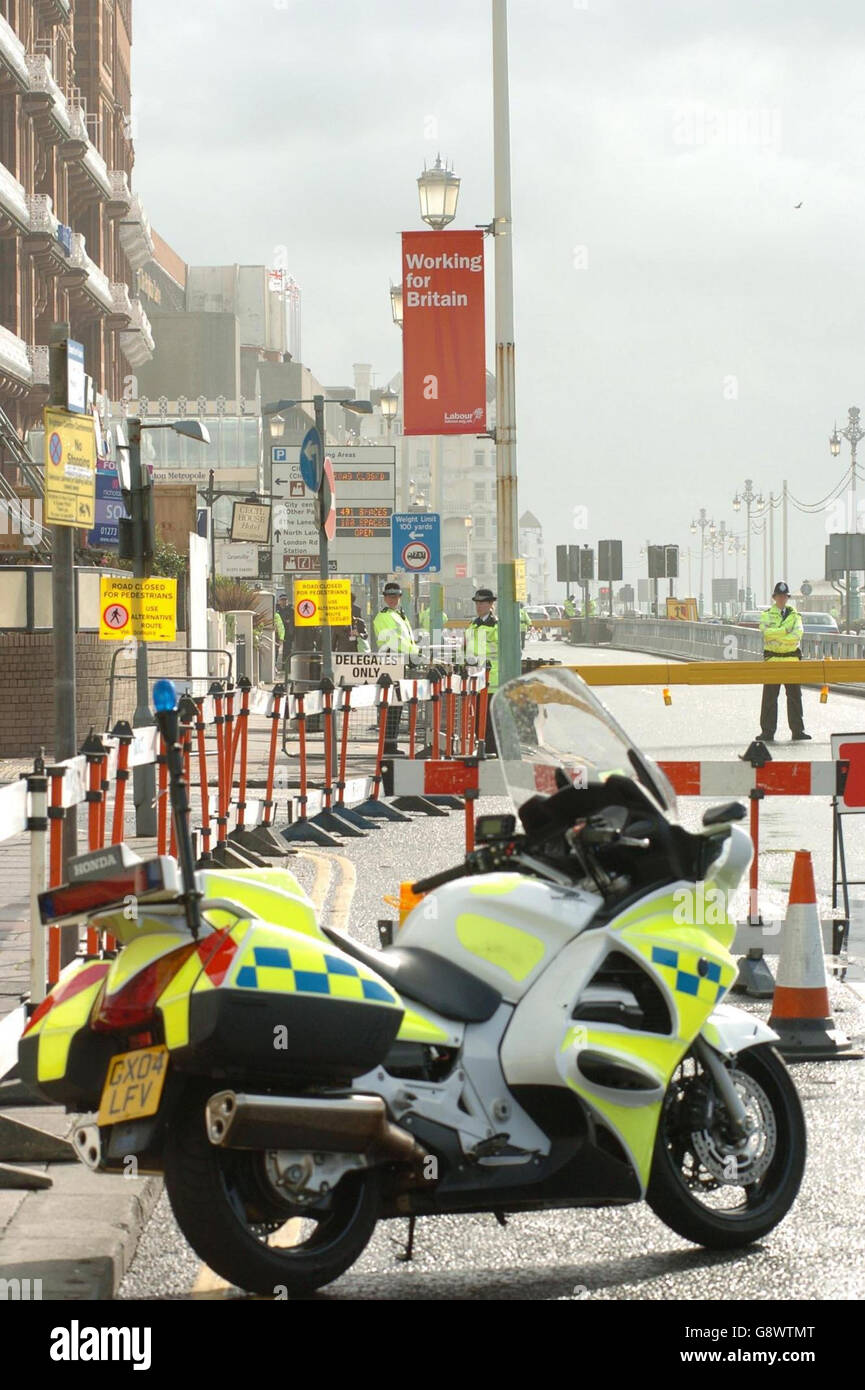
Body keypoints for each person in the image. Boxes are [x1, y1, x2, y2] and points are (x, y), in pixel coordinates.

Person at [757, 582, 810, 742]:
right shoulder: (766, 615)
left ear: (787, 598)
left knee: (795, 697)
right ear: (774, 597)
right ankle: (767, 732)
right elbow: (767, 634)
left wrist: (778, 635)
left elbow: (797, 636)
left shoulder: (795, 616)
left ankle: (797, 731)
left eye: (784, 596)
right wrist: (786, 631)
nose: (782, 599)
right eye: (779, 596)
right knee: (769, 698)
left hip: (791, 660)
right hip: (773, 660)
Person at [373, 581, 420, 752]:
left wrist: (413, 651)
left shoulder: (400, 615)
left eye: (396, 596)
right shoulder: (384, 616)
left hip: (399, 662)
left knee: (396, 705)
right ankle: (388, 745)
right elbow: (396, 641)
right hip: (390, 661)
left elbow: (407, 639)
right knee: (391, 705)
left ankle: (391, 744)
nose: (393, 599)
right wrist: (415, 652)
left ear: (400, 597)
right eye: (390, 597)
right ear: (384, 598)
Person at [465, 587, 499, 692]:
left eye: (482, 603)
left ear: (490, 604)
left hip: (491, 679)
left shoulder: (496, 626)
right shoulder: (473, 624)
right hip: (473, 677)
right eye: (477, 603)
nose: (478, 606)